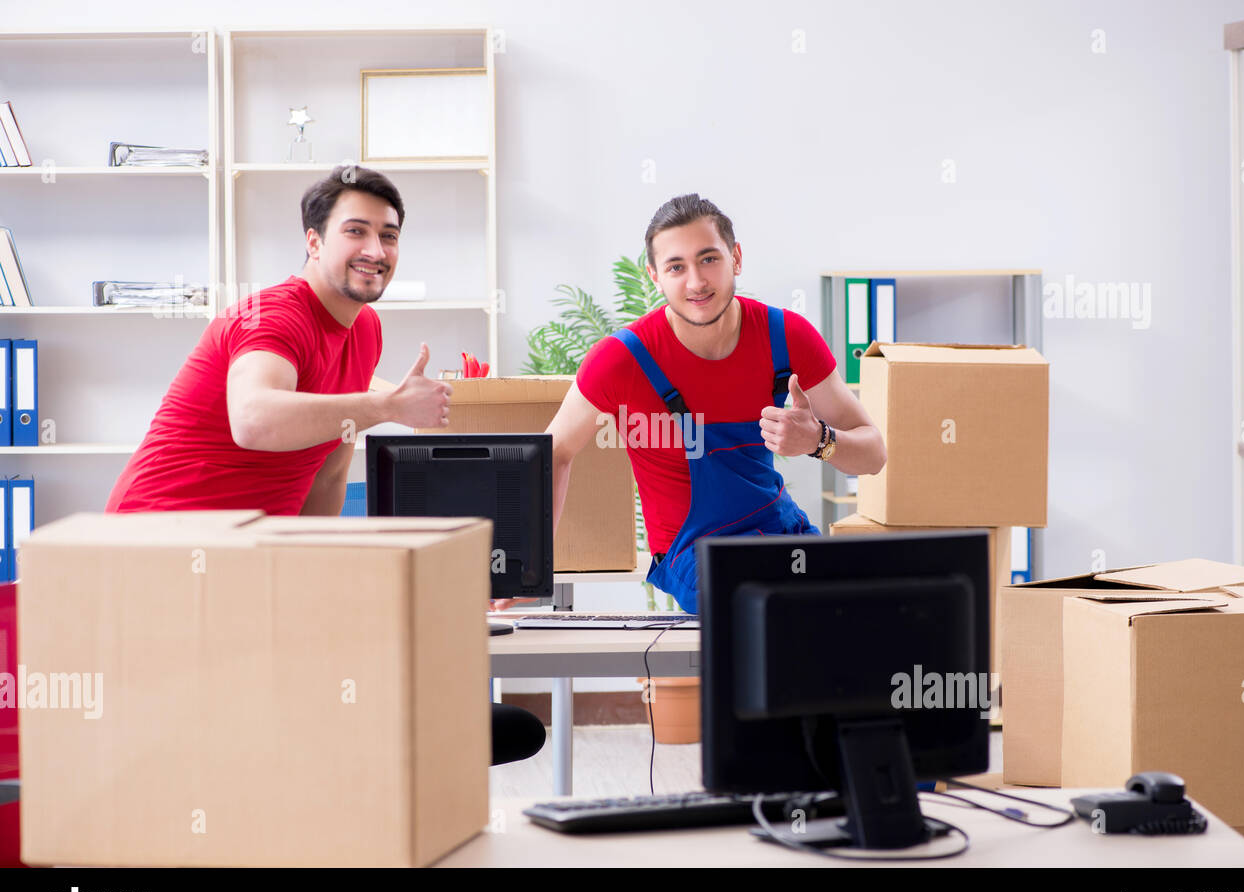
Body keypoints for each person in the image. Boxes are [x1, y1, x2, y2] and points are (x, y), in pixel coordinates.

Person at [106, 165, 545, 766]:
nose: (375, 250)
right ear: (313, 241)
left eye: (389, 236)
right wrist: (386, 405)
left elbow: (331, 469)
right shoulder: (274, 318)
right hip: (163, 553)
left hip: (249, 561)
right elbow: (254, 419)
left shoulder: (364, 329)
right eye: (356, 231)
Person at [545, 194, 887, 613]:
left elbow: (873, 454)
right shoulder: (622, 359)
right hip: (693, 556)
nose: (696, 282)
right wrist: (526, 569)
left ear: (735, 258)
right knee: (764, 609)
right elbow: (553, 453)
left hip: (781, 536)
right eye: (676, 267)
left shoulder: (786, 337)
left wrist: (818, 439)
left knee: (869, 603)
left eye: (708, 259)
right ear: (654, 275)